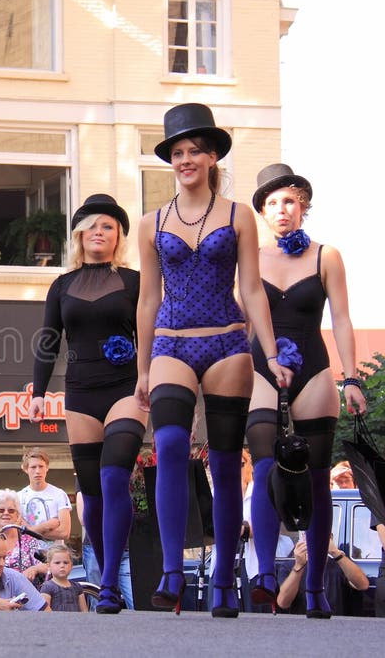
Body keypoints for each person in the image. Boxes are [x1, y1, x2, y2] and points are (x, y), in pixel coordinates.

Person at [134, 103, 293, 617]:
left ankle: (225, 579)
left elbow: (251, 288)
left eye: (194, 150)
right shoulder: (150, 222)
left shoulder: (238, 214)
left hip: (226, 341)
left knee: (226, 464)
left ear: (211, 157)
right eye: (177, 152)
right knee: (172, 445)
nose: (185, 159)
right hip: (171, 343)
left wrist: (271, 353)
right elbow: (147, 299)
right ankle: (172, 573)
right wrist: (141, 369)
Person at [245, 163, 367, 619]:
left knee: (316, 478)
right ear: (262, 211)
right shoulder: (250, 257)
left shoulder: (325, 256)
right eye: (273, 203)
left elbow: (341, 319)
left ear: (303, 208)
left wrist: (351, 377)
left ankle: (315, 583)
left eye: (290, 201)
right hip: (260, 367)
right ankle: (264, 577)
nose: (282, 210)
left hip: (314, 370)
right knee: (262, 468)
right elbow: (240, 324)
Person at [28, 193, 145, 613]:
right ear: (80, 234)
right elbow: (48, 339)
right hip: (80, 392)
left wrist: (152, 377)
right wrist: (38, 393)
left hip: (127, 388)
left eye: (108, 226)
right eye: (92, 225)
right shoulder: (62, 285)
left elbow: (150, 331)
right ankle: (102, 572)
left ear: (118, 236)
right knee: (92, 493)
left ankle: (111, 581)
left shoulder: (134, 280)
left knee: (115, 478)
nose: (100, 232)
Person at [275, 534, 369, 616]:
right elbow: (283, 603)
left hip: (337, 627)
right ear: (303, 539)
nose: (314, 540)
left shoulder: (340, 565)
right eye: (308, 536)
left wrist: (335, 552)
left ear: (330, 538)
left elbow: (362, 584)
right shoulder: (289, 567)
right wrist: (299, 565)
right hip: (303, 628)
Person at [0, 489, 46, 583]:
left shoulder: (28, 540)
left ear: (17, 515)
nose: (6, 513)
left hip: (24, 591)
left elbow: (47, 567)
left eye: (11, 511)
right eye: (1, 510)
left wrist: (34, 569)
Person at [17, 448, 71, 544]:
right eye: (33, 467)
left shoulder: (59, 494)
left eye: (41, 466)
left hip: (54, 555)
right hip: (28, 555)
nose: (37, 471)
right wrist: (46, 526)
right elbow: (17, 531)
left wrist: (29, 530)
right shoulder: (18, 497)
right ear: (25, 469)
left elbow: (64, 532)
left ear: (47, 468)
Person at [40, 544, 87, 612]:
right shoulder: (47, 587)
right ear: (48, 566)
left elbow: (84, 611)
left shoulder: (77, 587)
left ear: (71, 565)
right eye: (57, 563)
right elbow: (44, 611)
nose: (62, 565)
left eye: (66, 562)